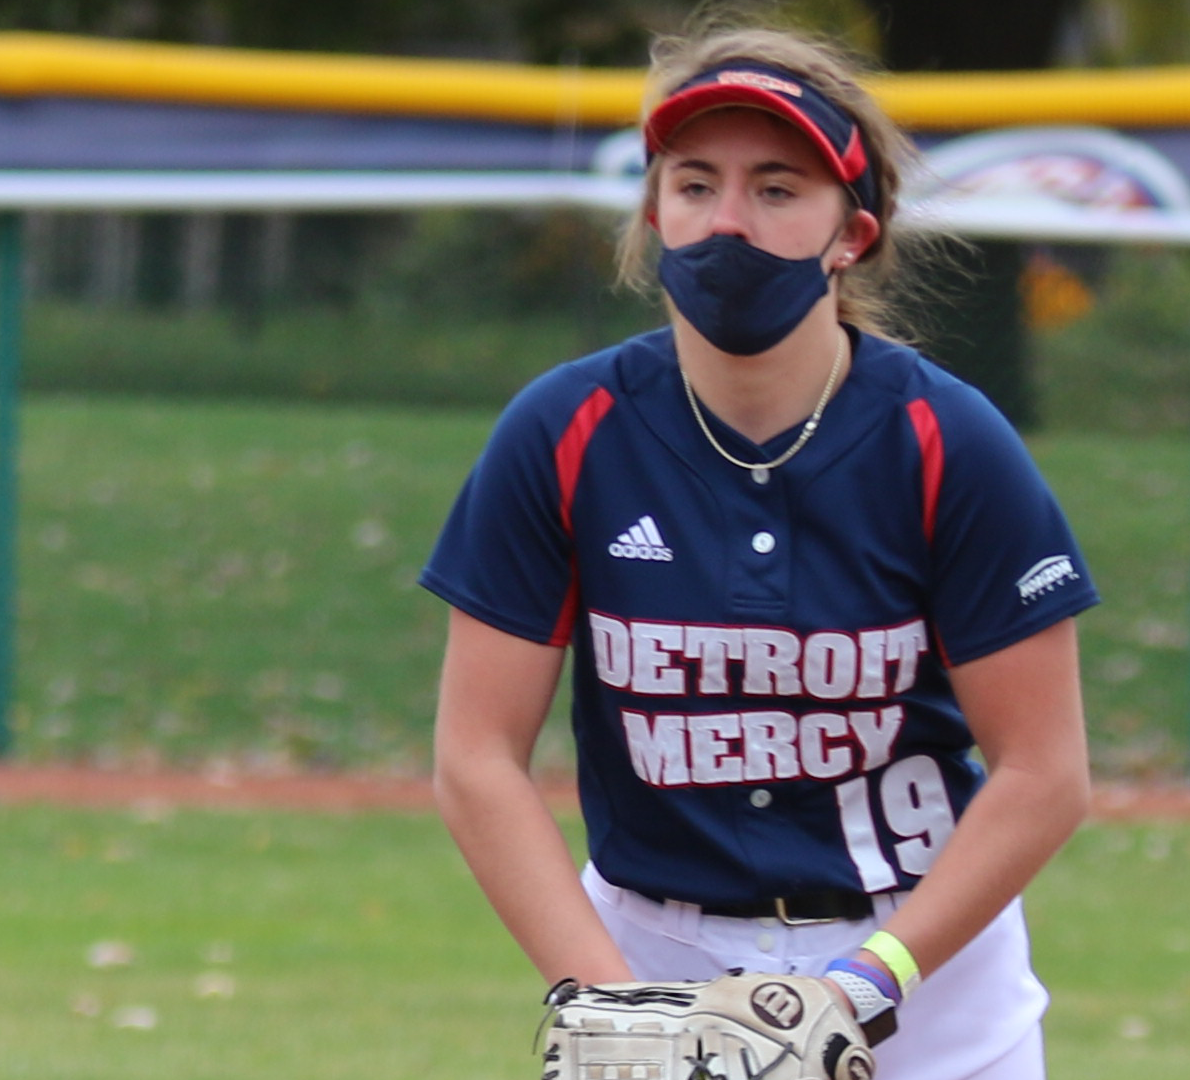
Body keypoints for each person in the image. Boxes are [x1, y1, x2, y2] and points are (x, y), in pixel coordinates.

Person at [421, 15, 1097, 1080]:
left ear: (852, 233)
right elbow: (475, 758)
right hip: (650, 947)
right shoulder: (565, 431)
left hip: (922, 965)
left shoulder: (944, 441)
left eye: (778, 190)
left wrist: (864, 985)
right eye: (695, 184)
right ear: (653, 212)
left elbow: (1045, 772)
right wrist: (605, 999)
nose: (727, 222)